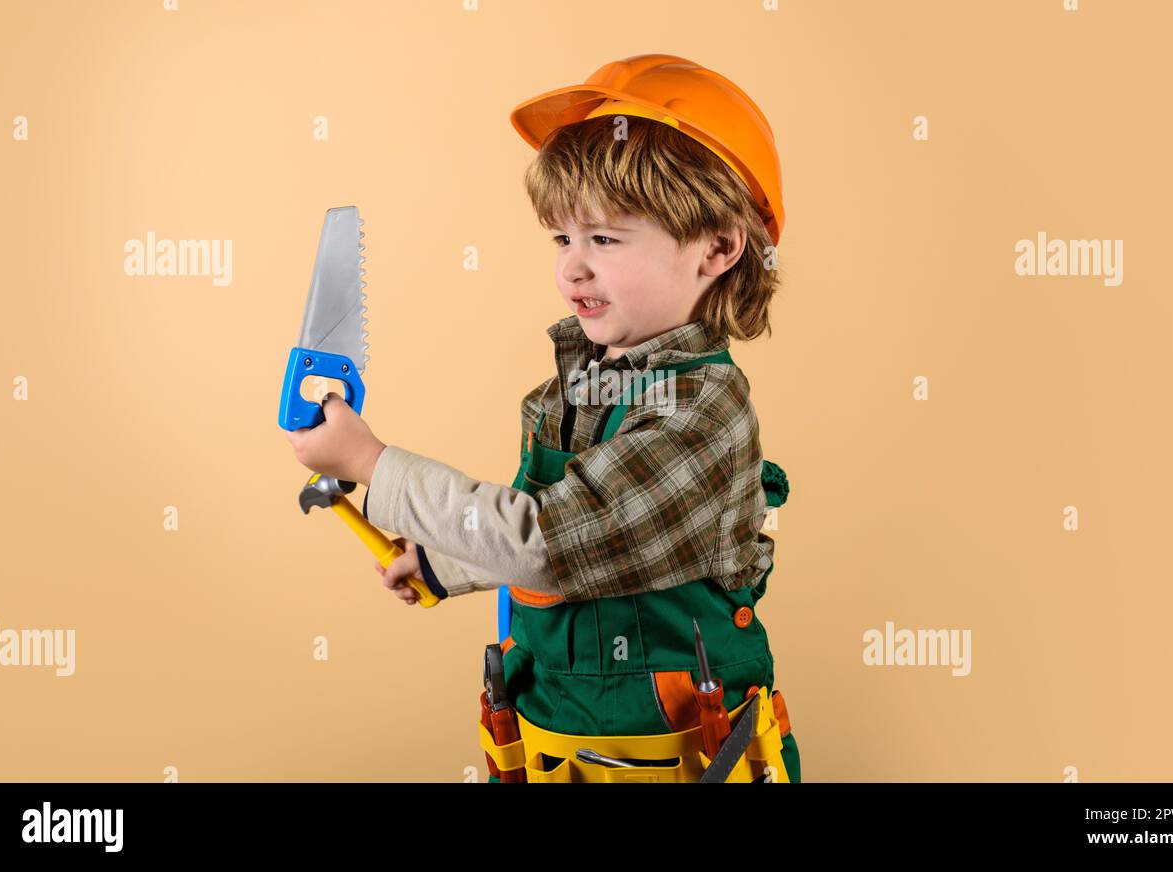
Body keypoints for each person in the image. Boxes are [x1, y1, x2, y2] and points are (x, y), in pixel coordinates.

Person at [285, 54, 798, 783]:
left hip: (681, 761)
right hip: (558, 750)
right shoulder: (571, 389)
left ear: (716, 247)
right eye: (563, 239)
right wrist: (442, 560)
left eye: (606, 239)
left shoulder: (703, 414)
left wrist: (372, 464)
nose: (571, 269)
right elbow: (569, 527)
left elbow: (546, 544)